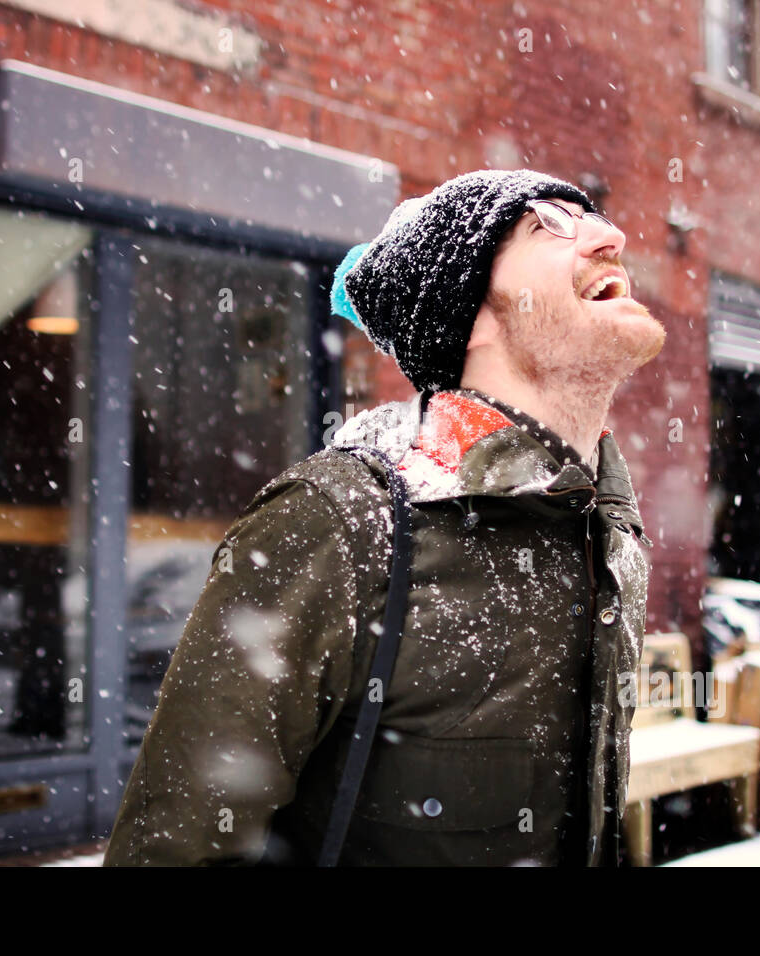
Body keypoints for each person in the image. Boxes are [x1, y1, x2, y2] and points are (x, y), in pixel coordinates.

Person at [103, 168, 665, 866]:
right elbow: (176, 850)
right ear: (475, 314)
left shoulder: (605, 532)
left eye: (594, 217)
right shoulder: (342, 524)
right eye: (546, 224)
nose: (610, 235)